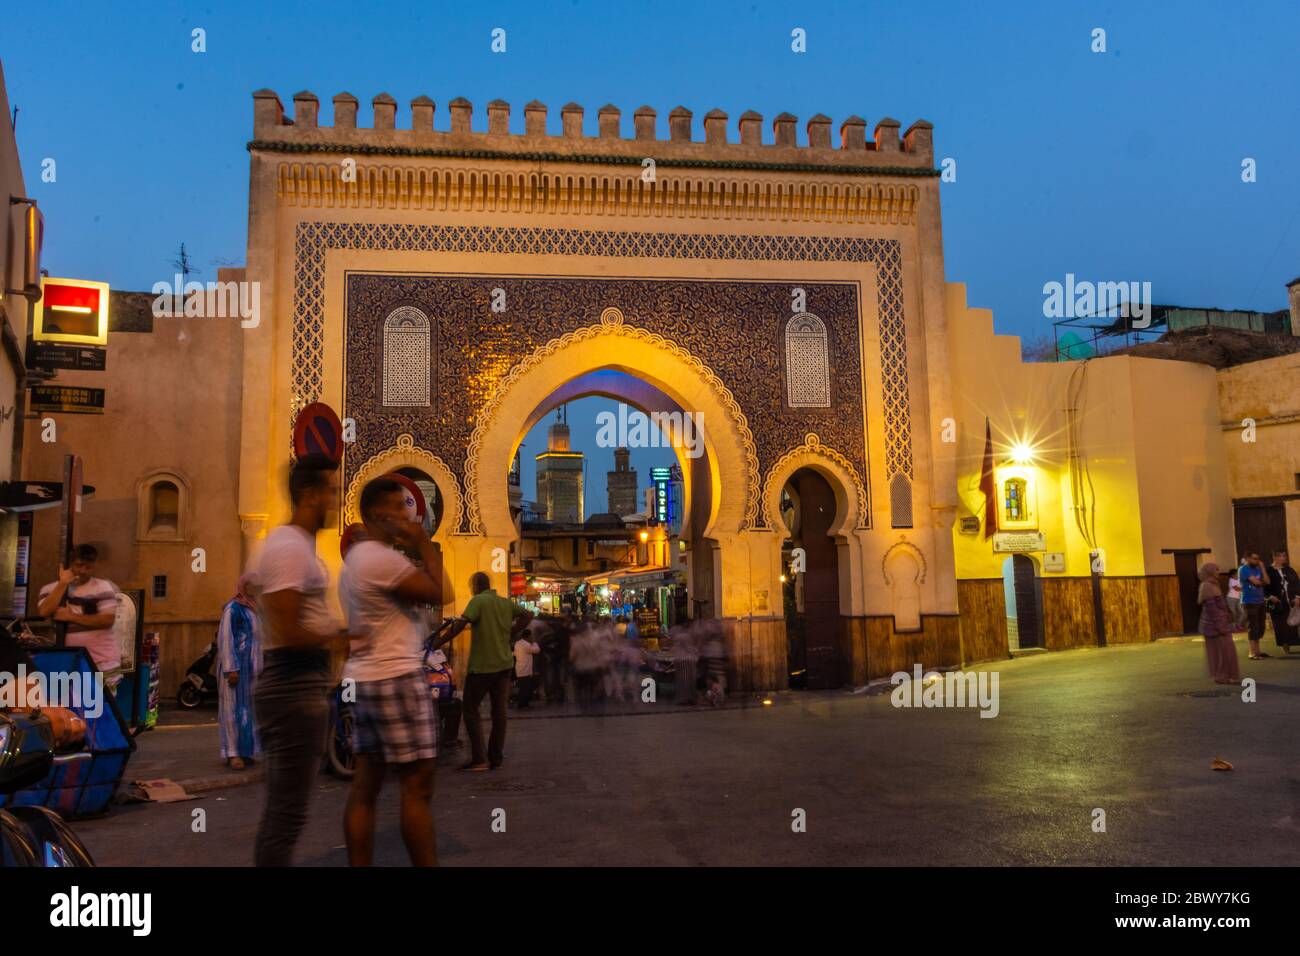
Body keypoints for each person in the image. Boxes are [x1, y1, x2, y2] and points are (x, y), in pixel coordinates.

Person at [250, 455, 349, 867]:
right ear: (311, 495)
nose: (336, 501)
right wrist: (342, 634)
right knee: (286, 813)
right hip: (292, 686)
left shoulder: (295, 546)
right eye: (331, 492)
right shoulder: (289, 547)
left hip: (300, 684)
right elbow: (289, 631)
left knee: (288, 810)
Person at [341, 477, 443, 867]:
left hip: (366, 677)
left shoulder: (355, 560)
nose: (407, 515)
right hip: (396, 677)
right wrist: (423, 545)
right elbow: (439, 592)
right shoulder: (382, 558)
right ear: (373, 515)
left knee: (366, 785)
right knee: (417, 787)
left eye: (407, 506)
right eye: (398, 508)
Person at [435, 572, 530, 771]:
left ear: (476, 585)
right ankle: (495, 757)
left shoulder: (478, 601)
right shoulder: (504, 603)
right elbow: (528, 614)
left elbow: (461, 624)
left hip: (482, 666)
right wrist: (510, 632)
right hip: (504, 664)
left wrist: (438, 642)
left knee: (470, 709)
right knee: (499, 713)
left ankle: (479, 758)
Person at [37, 544, 121, 690]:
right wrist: (63, 584)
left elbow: (107, 620)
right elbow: (44, 611)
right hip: (68, 663)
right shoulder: (50, 589)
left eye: (88, 567)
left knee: (102, 707)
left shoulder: (102, 587)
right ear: (70, 564)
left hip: (102, 662)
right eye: (79, 565)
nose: (82, 571)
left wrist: (70, 616)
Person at [217, 574, 263, 770]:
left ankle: (247, 752)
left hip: (253, 669)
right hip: (236, 669)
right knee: (232, 710)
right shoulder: (233, 609)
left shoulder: (255, 609)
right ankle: (233, 754)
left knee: (249, 712)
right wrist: (231, 668)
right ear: (243, 587)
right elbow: (226, 639)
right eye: (251, 586)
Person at [1197, 562, 1241, 685]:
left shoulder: (1213, 584)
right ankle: (1222, 676)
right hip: (1214, 625)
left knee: (1226, 650)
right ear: (1209, 571)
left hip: (1220, 622)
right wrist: (1220, 624)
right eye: (1216, 570)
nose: (1218, 572)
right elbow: (1212, 609)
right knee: (1221, 652)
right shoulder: (1207, 586)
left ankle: (1227, 675)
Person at [1264, 549, 1300, 653]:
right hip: (1274, 601)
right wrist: (1270, 597)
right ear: (1275, 557)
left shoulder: (1289, 569)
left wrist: (1298, 597)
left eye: (1284, 556)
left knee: (1292, 622)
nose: (1284, 558)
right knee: (1278, 623)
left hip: (1290, 600)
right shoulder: (1268, 571)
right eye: (1281, 556)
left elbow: (1297, 583)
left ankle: (1293, 641)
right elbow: (1264, 587)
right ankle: (1284, 644)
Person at [1237, 553, 1271, 660]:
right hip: (1249, 601)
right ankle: (1252, 652)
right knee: (1253, 626)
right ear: (1247, 559)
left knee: (1261, 626)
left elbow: (1267, 581)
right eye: (1255, 559)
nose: (1257, 560)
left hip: (1260, 600)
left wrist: (1262, 567)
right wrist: (1262, 582)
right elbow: (1256, 582)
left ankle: (1258, 651)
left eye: (1258, 559)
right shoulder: (1243, 569)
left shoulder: (1258, 569)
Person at [513, 617, 546, 709]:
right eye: (531, 636)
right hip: (525, 670)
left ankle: (525, 704)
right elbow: (537, 650)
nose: (532, 637)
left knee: (524, 688)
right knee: (525, 689)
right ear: (527, 636)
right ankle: (522, 705)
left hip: (521, 669)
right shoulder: (526, 645)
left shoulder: (518, 643)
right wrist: (534, 642)